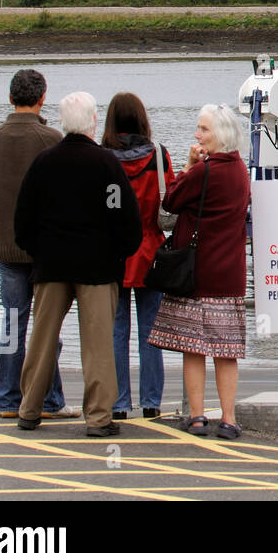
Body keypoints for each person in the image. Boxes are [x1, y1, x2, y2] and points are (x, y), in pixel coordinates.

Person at [14, 92, 142, 436]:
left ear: (61, 122)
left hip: (51, 265)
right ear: (93, 121)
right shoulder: (106, 165)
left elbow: (23, 219)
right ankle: (99, 418)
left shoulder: (43, 163)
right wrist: (120, 252)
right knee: (98, 344)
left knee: (41, 340)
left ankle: (28, 409)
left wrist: (37, 250)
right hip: (96, 267)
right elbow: (123, 216)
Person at [149, 104, 251, 440]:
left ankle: (196, 416)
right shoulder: (239, 171)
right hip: (229, 276)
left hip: (196, 275)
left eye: (203, 129)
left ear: (218, 135)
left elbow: (171, 202)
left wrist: (188, 165)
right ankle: (229, 418)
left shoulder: (203, 171)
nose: (197, 134)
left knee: (193, 349)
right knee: (226, 353)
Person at [0, 69, 75, 420]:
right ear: (42, 98)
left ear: (10, 98)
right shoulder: (50, 137)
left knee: (11, 325)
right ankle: (49, 400)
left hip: (5, 246)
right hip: (44, 248)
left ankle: (7, 399)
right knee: (46, 325)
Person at [101, 92, 174, 420]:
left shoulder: (102, 158)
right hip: (150, 249)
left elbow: (99, 205)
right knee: (151, 328)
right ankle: (151, 401)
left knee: (116, 329)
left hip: (114, 249)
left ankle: (118, 404)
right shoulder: (159, 156)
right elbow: (169, 200)